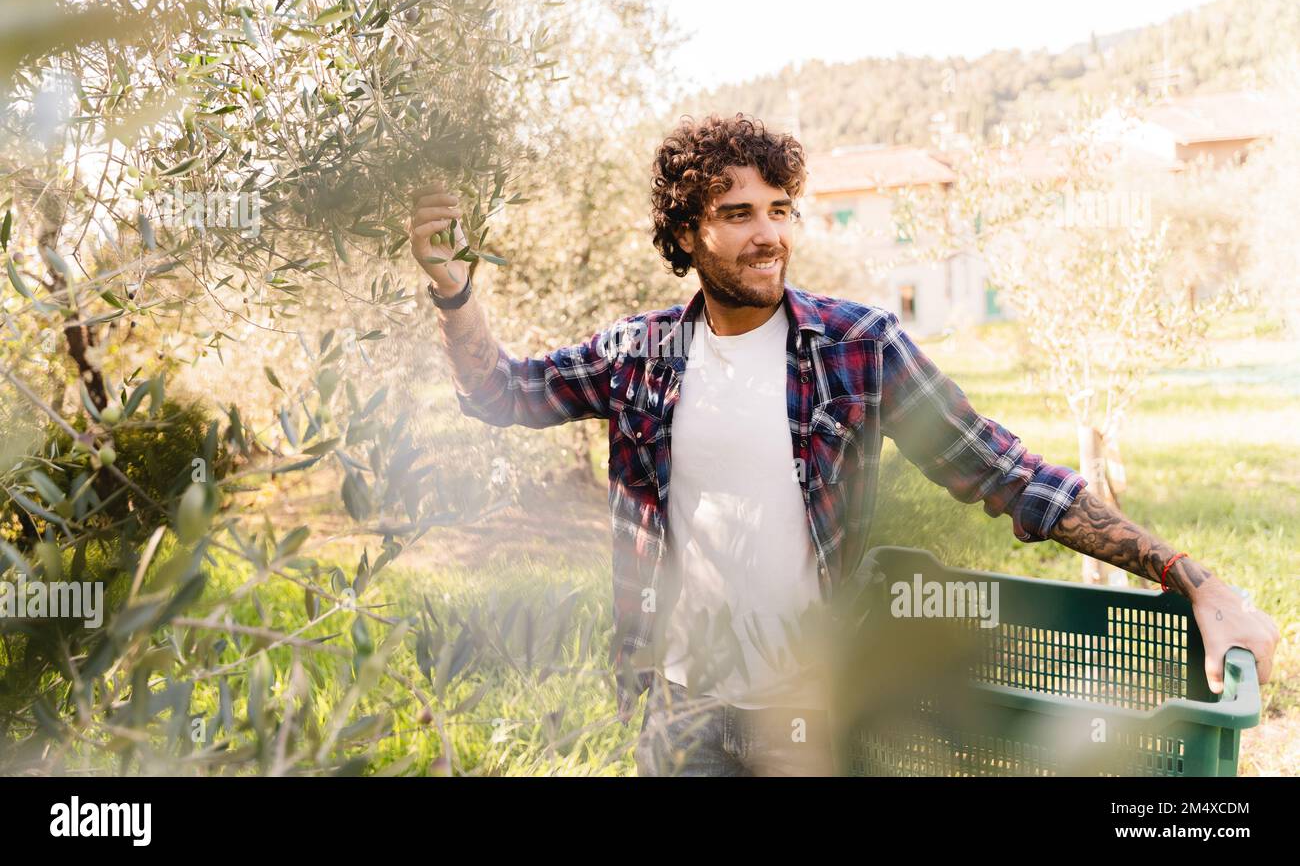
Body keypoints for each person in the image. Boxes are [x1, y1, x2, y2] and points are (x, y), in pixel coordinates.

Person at [408, 112, 1280, 776]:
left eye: (781, 209)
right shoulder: (644, 353)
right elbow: (500, 393)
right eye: (738, 212)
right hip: (677, 704)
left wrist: (1191, 578)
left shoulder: (857, 346)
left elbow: (1005, 470)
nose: (770, 234)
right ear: (685, 234)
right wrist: (453, 293)